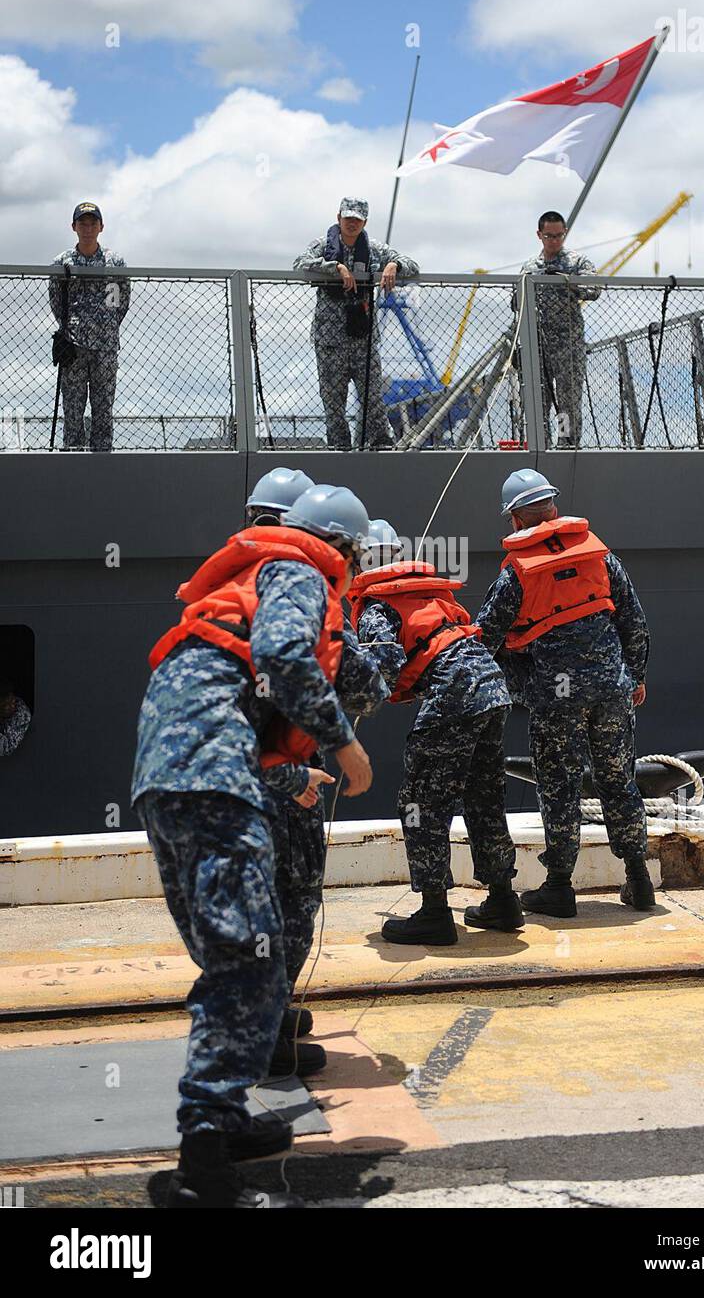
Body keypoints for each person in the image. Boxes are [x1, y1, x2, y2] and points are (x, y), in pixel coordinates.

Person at [132, 484, 373, 1208]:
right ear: (346, 551)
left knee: (232, 955)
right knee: (251, 963)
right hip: (213, 775)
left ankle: (223, 1121)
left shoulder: (249, 576)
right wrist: (345, 744)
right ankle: (202, 1173)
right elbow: (283, 654)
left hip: (166, 777)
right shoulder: (300, 572)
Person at [243, 474, 390, 1079]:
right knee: (291, 905)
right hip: (266, 774)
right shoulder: (302, 588)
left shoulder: (245, 575)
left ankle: (269, 1020)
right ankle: (264, 1045)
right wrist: (345, 742)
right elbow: (350, 674)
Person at [476, 469, 653, 918]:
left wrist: (519, 682)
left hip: (556, 698)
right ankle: (638, 877)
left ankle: (558, 885)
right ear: (553, 508)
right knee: (618, 778)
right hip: (612, 689)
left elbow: (486, 639)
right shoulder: (600, 557)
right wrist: (635, 676)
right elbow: (633, 620)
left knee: (560, 786)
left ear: (515, 520)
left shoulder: (516, 574)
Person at [350, 520, 520, 945]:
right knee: (483, 794)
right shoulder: (427, 593)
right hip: (490, 683)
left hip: (455, 693)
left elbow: (385, 661)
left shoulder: (376, 606)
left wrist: (352, 708)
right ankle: (502, 898)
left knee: (420, 802)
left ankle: (434, 912)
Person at [293, 198, 419, 451]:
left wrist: (394, 264)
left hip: (363, 339)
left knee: (373, 398)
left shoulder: (374, 249)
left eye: (357, 220)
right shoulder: (322, 246)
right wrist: (334, 267)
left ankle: (381, 445)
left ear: (365, 222)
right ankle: (339, 448)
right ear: (338, 217)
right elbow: (299, 265)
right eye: (348, 218)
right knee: (333, 401)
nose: (352, 224)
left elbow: (413, 266)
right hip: (330, 341)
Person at [48, 203, 130, 452]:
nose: (87, 228)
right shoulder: (62, 262)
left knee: (103, 408)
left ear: (101, 227)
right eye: (82, 223)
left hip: (105, 347)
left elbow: (120, 301)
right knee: (72, 409)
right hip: (73, 347)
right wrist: (71, 327)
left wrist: (105, 326)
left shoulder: (114, 262)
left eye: (93, 223)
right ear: (74, 227)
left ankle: (102, 461)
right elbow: (56, 301)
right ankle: (72, 463)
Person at [519, 210, 600, 448]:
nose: (554, 241)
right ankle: (539, 446)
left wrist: (567, 281)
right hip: (537, 346)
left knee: (567, 401)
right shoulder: (530, 267)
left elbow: (594, 289)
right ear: (539, 235)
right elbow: (517, 301)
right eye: (549, 236)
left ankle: (566, 445)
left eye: (559, 235)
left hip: (568, 346)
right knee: (537, 401)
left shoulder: (577, 262)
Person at [0, 679, 31, 756]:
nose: (12, 706)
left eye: (12, 701)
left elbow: (5, 747)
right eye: (5, 705)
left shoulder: (22, 715)